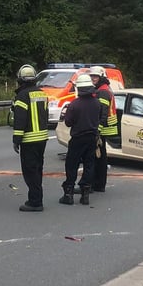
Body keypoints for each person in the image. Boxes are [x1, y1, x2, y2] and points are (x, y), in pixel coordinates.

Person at [61, 73, 105, 206]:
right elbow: (99, 118)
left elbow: (68, 122)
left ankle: (68, 194)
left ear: (79, 88)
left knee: (72, 165)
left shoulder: (74, 104)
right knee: (89, 165)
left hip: (77, 138)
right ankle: (85, 194)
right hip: (92, 138)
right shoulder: (97, 103)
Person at [12, 64, 49, 212]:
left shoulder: (22, 96)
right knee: (38, 170)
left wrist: (16, 140)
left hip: (29, 139)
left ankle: (35, 202)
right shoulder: (42, 93)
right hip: (42, 138)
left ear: (20, 79)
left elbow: (20, 120)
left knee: (30, 171)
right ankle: (36, 198)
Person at [88, 65, 119, 193]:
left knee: (98, 157)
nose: (93, 79)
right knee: (100, 157)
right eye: (91, 76)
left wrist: (98, 130)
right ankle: (98, 184)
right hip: (104, 128)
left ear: (101, 77)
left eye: (95, 76)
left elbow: (102, 113)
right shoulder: (103, 89)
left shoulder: (102, 92)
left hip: (103, 128)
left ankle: (96, 184)